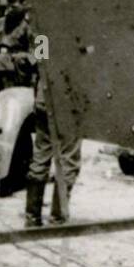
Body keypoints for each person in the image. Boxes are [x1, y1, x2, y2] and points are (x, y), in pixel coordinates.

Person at [26, 66, 82, 226]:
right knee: (69, 160)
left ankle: (32, 218)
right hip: (69, 101)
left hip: (44, 99)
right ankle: (57, 219)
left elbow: (37, 64)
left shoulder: (44, 39)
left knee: (40, 158)